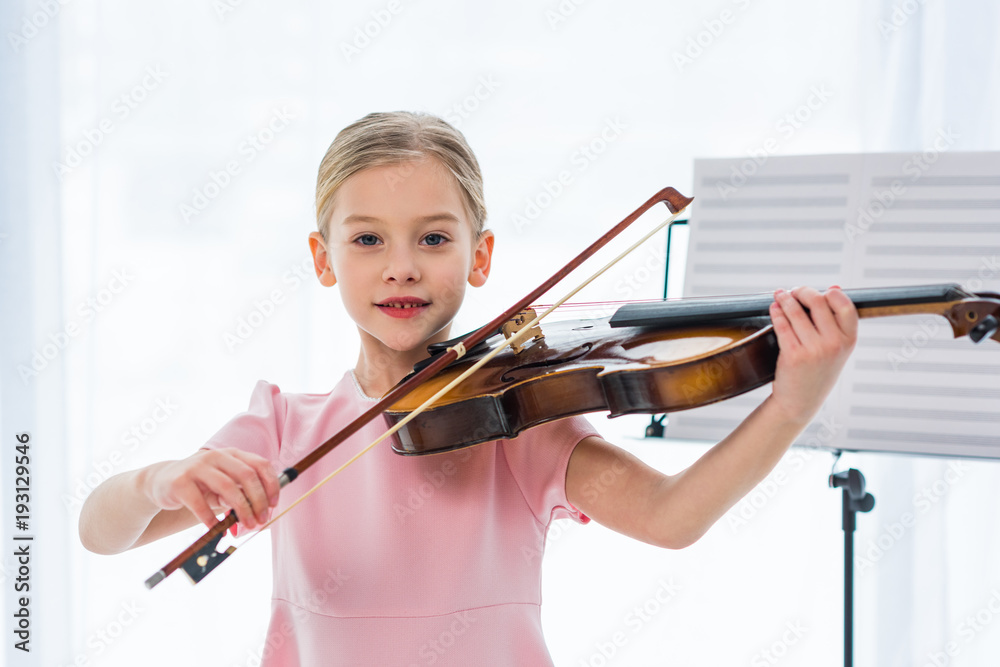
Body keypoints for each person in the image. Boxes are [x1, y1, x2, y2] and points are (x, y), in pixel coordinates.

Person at [79, 111, 858, 665]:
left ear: (480, 257)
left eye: (435, 237)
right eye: (367, 239)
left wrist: (790, 402)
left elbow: (671, 515)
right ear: (324, 260)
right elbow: (99, 529)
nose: (402, 265)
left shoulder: (516, 422)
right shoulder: (286, 428)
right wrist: (161, 477)